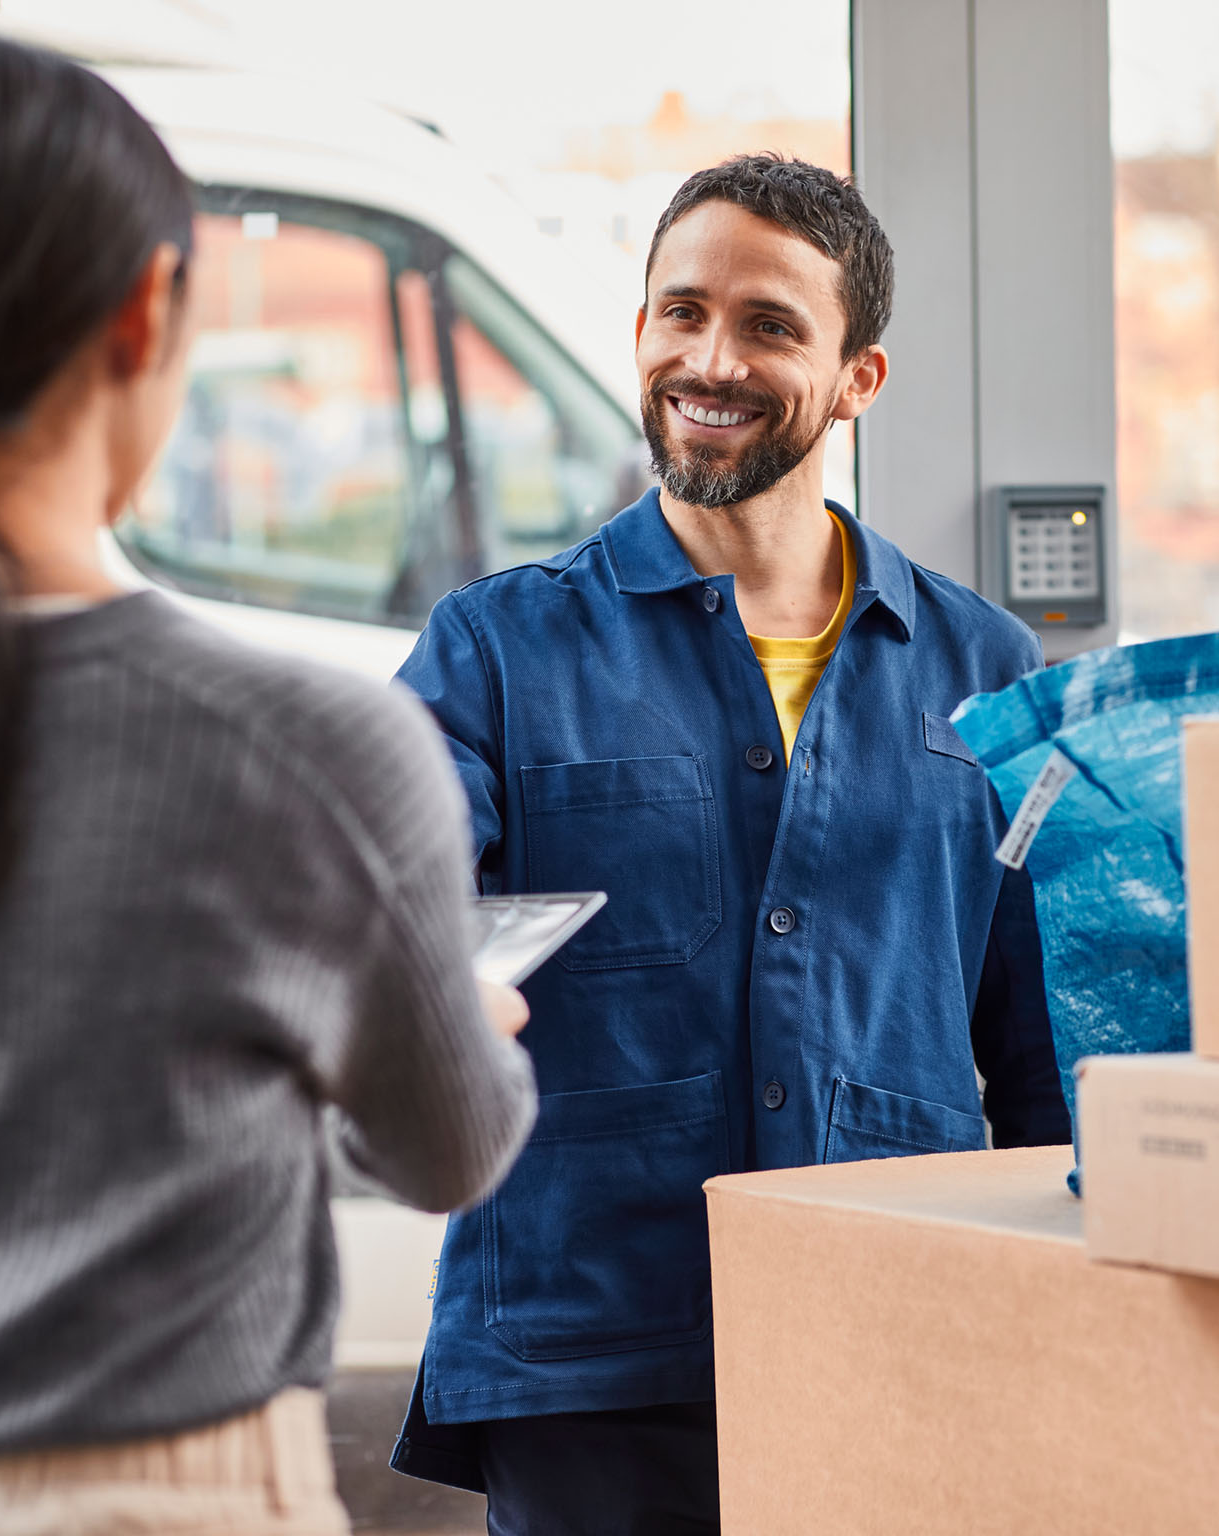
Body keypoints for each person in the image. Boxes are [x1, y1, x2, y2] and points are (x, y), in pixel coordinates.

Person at [0, 39, 537, 1536]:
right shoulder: (320, 747)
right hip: (176, 1502)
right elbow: (449, 1152)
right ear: (148, 313)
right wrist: (467, 1022)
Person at [391, 154, 1071, 1534]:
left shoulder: (988, 670)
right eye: (680, 311)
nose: (712, 358)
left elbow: (1039, 1041)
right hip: (592, 1349)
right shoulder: (495, 649)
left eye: (770, 325)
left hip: (897, 1324)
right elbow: (384, 917)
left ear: (857, 379)